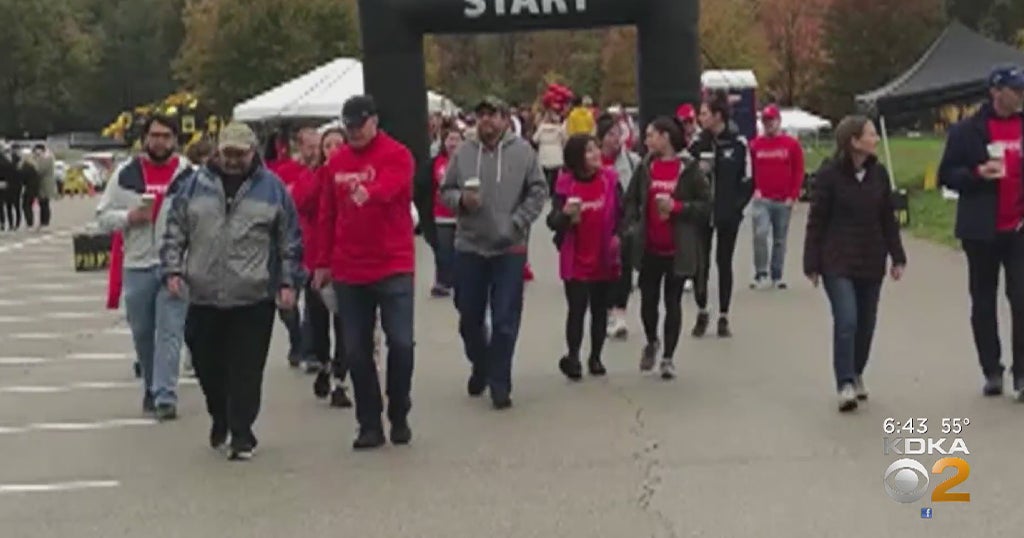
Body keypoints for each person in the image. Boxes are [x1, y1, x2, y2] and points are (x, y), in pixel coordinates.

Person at [162, 122, 303, 460]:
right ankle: (220, 415)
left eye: (241, 154)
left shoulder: (272, 189)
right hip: (204, 292)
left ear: (253, 152)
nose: (234, 160)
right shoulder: (193, 185)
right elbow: (174, 229)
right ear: (218, 151)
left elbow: (290, 241)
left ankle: (242, 433)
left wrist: (287, 283)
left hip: (252, 295)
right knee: (208, 366)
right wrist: (172, 269)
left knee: (246, 369)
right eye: (228, 153)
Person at [313, 95, 416, 450]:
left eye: (360, 125)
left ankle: (399, 410)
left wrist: (367, 191)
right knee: (356, 350)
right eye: (348, 126)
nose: (354, 132)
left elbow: (393, 186)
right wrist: (322, 262)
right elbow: (326, 213)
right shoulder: (336, 163)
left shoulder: (398, 154)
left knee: (401, 343)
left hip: (393, 264)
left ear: (374, 121)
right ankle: (369, 423)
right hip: (349, 268)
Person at [440, 95, 548, 409]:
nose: (486, 121)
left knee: (504, 318)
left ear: (504, 119)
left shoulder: (523, 152)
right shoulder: (463, 153)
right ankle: (481, 363)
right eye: (481, 115)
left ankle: (500, 381)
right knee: (469, 316)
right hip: (470, 245)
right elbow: (445, 190)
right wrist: (461, 200)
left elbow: (539, 191)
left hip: (509, 246)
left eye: (493, 115)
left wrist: (518, 221)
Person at [803, 115, 907, 412]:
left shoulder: (879, 175)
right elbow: (817, 220)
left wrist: (897, 256)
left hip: (871, 258)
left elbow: (888, 219)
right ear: (853, 141)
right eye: (870, 134)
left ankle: (857, 370)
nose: (875, 139)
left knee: (866, 323)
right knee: (847, 319)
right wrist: (811, 261)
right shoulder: (829, 175)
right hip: (837, 260)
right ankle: (845, 383)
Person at [96, 115, 191, 420]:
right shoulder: (125, 174)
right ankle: (152, 386)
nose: (159, 141)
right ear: (145, 138)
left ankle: (165, 395)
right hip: (136, 265)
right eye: (154, 135)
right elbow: (102, 217)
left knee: (170, 331)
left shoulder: (190, 174)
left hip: (174, 266)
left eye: (165, 135)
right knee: (143, 333)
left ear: (175, 139)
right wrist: (128, 217)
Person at [938, 65, 1024, 399]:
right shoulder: (967, 130)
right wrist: (977, 173)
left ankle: (1022, 374)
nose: (1019, 96)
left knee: (1021, 299)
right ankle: (992, 370)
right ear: (995, 92)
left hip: (1018, 228)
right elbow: (947, 174)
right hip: (981, 230)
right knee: (984, 302)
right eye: (1014, 90)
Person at [623, 117, 711, 379]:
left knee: (672, 302)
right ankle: (652, 340)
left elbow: (705, 205)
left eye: (651, 135)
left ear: (666, 137)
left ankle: (669, 357)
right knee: (648, 301)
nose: (646, 140)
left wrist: (678, 208)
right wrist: (632, 227)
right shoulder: (645, 167)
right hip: (649, 246)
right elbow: (631, 200)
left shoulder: (689, 169)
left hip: (678, 248)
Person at [546, 134, 622, 379]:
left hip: (604, 254)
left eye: (596, 149)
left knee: (600, 309)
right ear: (577, 158)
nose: (596, 154)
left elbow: (624, 213)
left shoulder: (611, 179)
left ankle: (596, 357)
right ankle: (573, 356)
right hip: (576, 255)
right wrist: (565, 215)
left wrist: (620, 237)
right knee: (577, 308)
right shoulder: (565, 184)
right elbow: (552, 221)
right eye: (589, 151)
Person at [688, 92, 752, 338]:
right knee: (699, 264)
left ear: (718, 116)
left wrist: (736, 206)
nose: (700, 118)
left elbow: (747, 180)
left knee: (724, 262)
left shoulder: (738, 144)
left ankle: (724, 315)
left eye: (704, 113)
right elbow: (686, 174)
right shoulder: (698, 144)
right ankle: (702, 309)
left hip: (727, 214)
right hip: (701, 213)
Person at [301, 128, 352, 408]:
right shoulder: (316, 175)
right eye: (327, 145)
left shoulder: (353, 177)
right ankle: (322, 362)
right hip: (316, 261)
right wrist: (319, 175)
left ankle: (340, 379)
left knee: (346, 324)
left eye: (338, 144)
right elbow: (301, 202)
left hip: (346, 262)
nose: (333, 149)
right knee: (318, 322)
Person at [749, 105, 805, 290]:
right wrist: (754, 188)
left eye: (771, 121)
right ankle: (761, 272)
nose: (768, 125)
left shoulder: (791, 145)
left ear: (778, 121)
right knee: (760, 233)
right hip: (762, 198)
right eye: (765, 122)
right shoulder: (756, 145)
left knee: (780, 239)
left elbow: (798, 171)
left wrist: (793, 195)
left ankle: (777, 274)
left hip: (783, 199)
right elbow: (751, 170)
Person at [595, 114, 640, 340]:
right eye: (611, 134)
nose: (616, 139)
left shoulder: (631, 161)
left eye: (618, 133)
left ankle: (620, 313)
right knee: (601, 272)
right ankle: (605, 312)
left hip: (625, 224)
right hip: (597, 224)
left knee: (624, 269)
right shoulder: (591, 162)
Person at [430, 126, 464, 298]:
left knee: (461, 252)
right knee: (443, 251)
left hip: (462, 215)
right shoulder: (437, 162)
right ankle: (442, 281)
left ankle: (461, 281)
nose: (453, 143)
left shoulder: (468, 161)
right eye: (450, 139)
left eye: (457, 139)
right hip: (441, 214)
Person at [533, 109, 567, 195]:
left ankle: (544, 190)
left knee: (544, 173)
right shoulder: (559, 129)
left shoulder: (541, 128)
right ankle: (553, 190)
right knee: (555, 174)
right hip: (556, 151)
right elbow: (565, 139)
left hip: (544, 151)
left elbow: (535, 139)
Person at [30, 144, 56, 227]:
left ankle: (45, 222)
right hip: (43, 184)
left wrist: (34, 161)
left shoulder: (46, 158)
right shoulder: (45, 157)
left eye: (37, 151)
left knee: (44, 203)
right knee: (42, 204)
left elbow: (39, 170)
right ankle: (43, 221)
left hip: (45, 184)